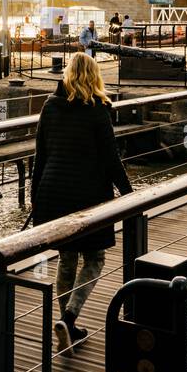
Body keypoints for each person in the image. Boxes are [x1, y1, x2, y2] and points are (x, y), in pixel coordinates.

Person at [31, 53, 133, 354]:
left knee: (66, 257)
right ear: (94, 75)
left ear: (67, 73)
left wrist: (36, 199)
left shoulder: (50, 106)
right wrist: (129, 194)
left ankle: (68, 325)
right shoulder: (98, 109)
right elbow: (110, 159)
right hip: (87, 195)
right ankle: (69, 316)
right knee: (94, 259)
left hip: (53, 193)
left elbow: (41, 157)